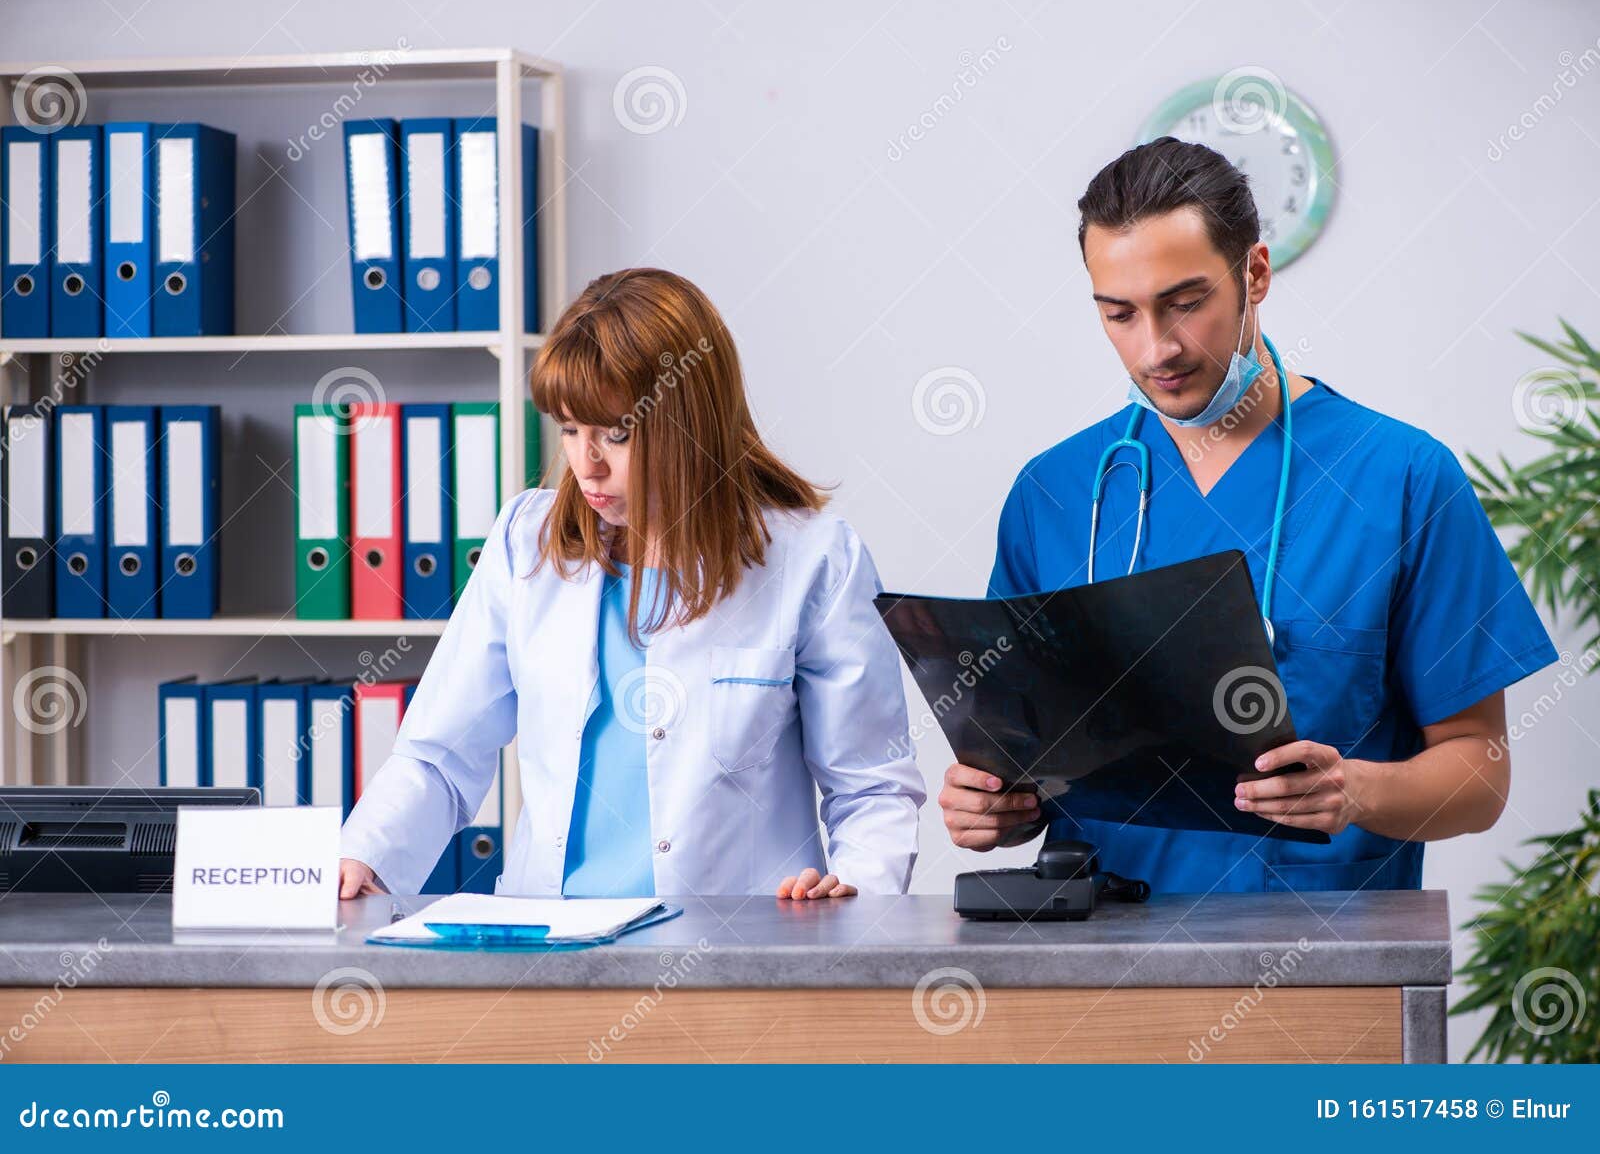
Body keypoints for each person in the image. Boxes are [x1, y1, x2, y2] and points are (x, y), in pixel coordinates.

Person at [939, 137, 1558, 893]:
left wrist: (1354, 792)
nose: (1156, 348)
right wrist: (995, 807)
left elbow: (1479, 775)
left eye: (1185, 303)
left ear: (1254, 274)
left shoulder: (1401, 478)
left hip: (1324, 967)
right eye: (1119, 314)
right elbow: (1022, 758)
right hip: (1094, 972)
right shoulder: (1055, 495)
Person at [340, 268, 924, 900]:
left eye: (616, 435)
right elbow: (440, 756)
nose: (587, 464)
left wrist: (856, 898)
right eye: (569, 430)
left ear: (689, 425)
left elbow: (871, 788)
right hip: (549, 944)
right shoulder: (524, 542)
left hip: (739, 954)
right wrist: (366, 858)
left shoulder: (813, 559)